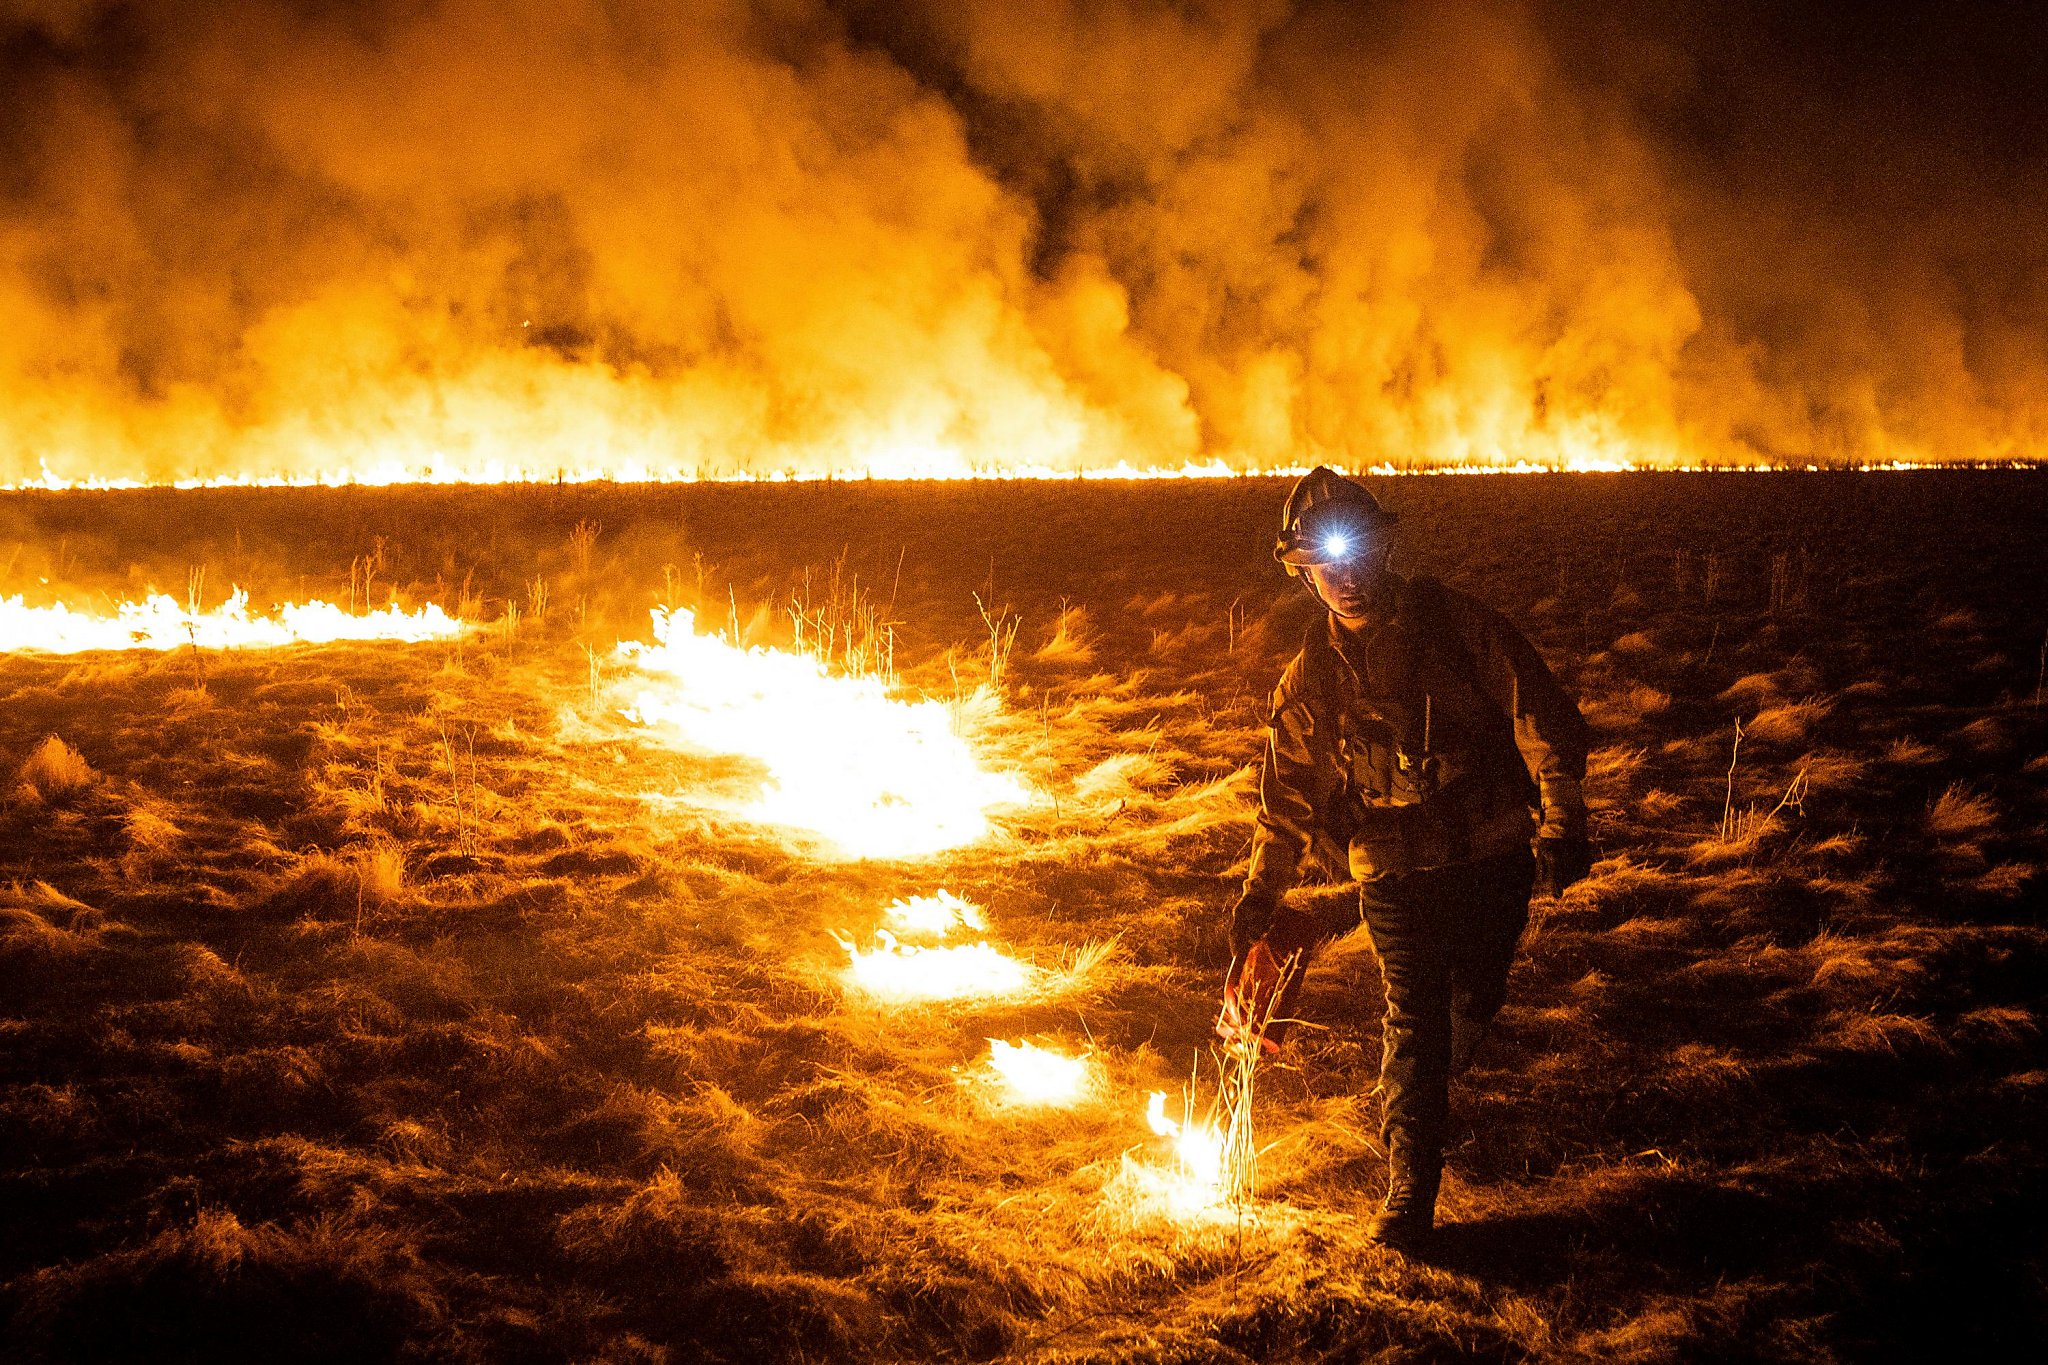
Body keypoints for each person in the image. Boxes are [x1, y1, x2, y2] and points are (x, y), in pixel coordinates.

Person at [1227, 466, 1592, 1248]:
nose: (1346, 579)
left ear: (1384, 549)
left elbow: (1540, 718)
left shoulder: (1458, 629)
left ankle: (1439, 1071)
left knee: (1472, 1000)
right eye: (1327, 567)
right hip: (1390, 874)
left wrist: (1563, 822)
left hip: (1491, 857)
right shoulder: (1311, 679)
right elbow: (1284, 799)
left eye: (1357, 558)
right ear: (1306, 573)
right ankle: (1409, 1192)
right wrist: (1259, 898)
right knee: (1414, 1021)